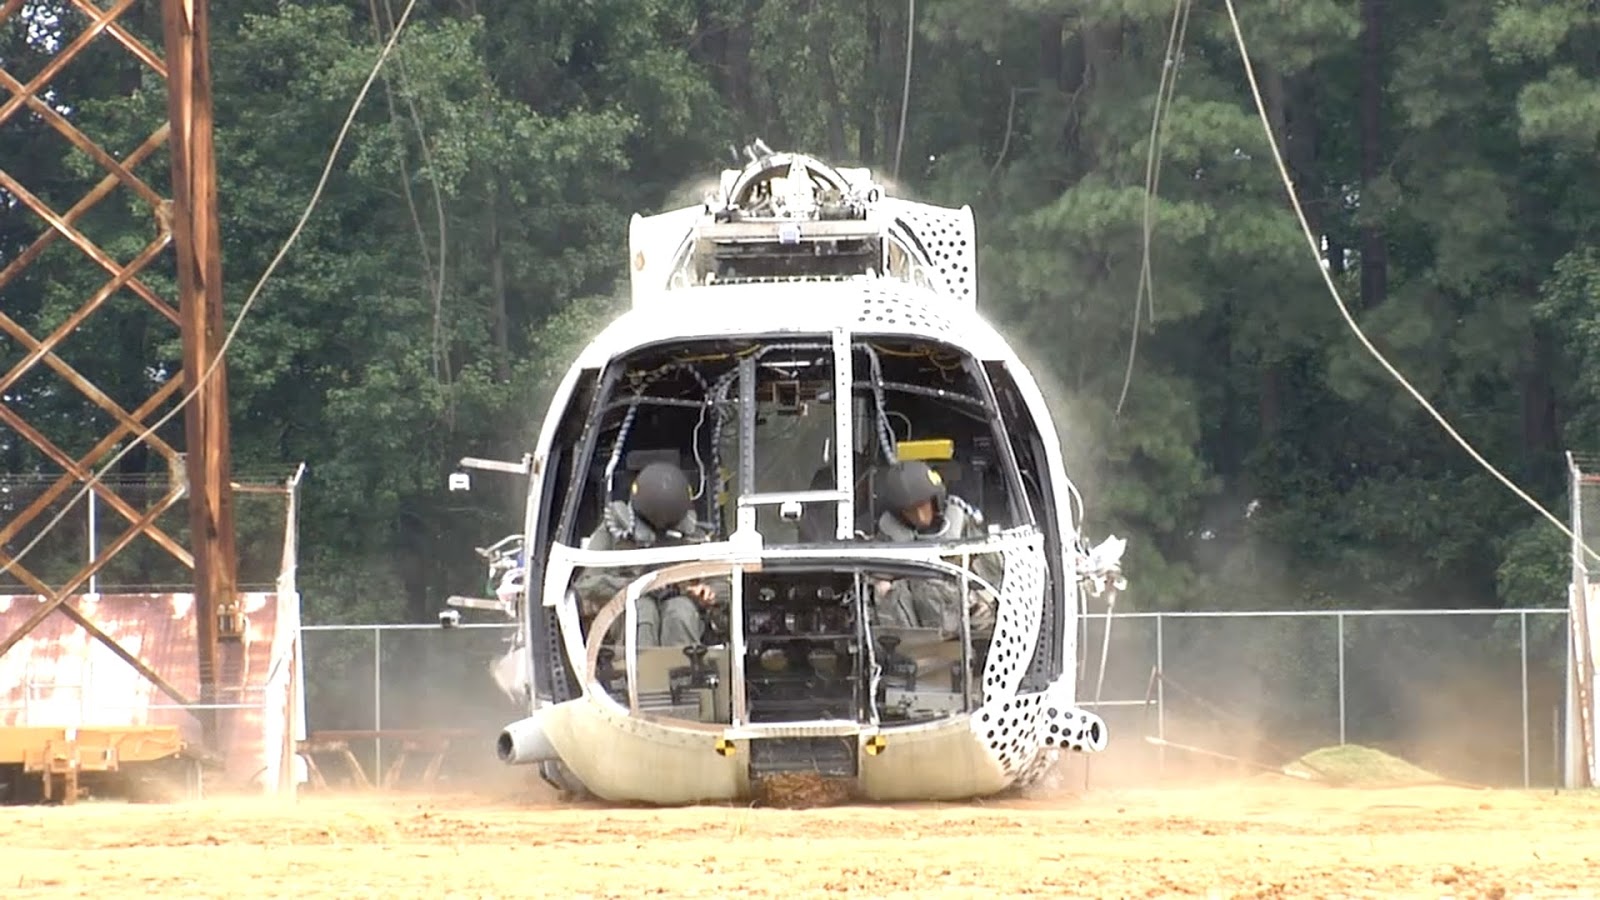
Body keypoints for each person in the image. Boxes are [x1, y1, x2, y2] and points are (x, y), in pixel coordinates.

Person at [572, 462, 728, 647]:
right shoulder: (612, 533)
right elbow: (587, 584)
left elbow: (725, 584)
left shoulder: (697, 536)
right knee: (643, 612)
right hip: (629, 606)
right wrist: (641, 586)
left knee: (680, 613)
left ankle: (683, 673)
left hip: (681, 603)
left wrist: (709, 592)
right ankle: (635, 672)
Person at [868, 460, 1000, 636]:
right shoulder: (887, 546)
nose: (920, 516)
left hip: (969, 637)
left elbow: (998, 579)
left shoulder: (964, 529)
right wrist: (885, 593)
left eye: (923, 505)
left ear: (935, 500)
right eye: (910, 510)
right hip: (917, 645)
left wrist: (985, 603)